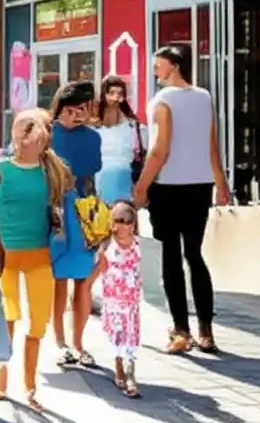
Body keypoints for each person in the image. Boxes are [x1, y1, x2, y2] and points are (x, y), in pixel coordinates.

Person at [134, 46, 230, 354]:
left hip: (169, 185)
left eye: (158, 64)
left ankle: (181, 331)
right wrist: (220, 181)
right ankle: (206, 331)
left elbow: (159, 150)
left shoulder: (162, 100)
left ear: (174, 65)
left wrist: (141, 186)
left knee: (171, 257)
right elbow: (211, 143)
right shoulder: (204, 97)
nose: (154, 70)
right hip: (200, 185)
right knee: (195, 255)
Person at [0, 109, 72, 413]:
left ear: (43, 139)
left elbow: (68, 207)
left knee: (38, 324)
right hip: (6, 258)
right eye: (21, 131)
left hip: (40, 257)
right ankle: (1, 378)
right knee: (8, 318)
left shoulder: (52, 173)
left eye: (31, 133)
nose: (24, 139)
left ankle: (30, 386)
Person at [49, 81, 102, 369]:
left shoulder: (93, 138)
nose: (78, 114)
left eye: (83, 108)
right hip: (55, 211)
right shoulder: (47, 133)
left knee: (83, 280)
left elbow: (90, 176)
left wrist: (97, 220)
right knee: (58, 279)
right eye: (72, 109)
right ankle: (60, 342)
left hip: (83, 212)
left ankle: (79, 342)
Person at [102, 200, 144, 399]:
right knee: (118, 334)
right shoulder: (107, 245)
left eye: (128, 220)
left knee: (130, 336)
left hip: (131, 301)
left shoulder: (137, 244)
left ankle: (129, 372)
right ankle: (119, 363)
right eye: (119, 220)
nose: (123, 225)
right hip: (113, 300)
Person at [94, 75, 145, 208]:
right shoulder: (93, 124)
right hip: (99, 178)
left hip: (125, 176)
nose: (116, 97)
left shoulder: (131, 124)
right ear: (104, 94)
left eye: (120, 93)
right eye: (111, 93)